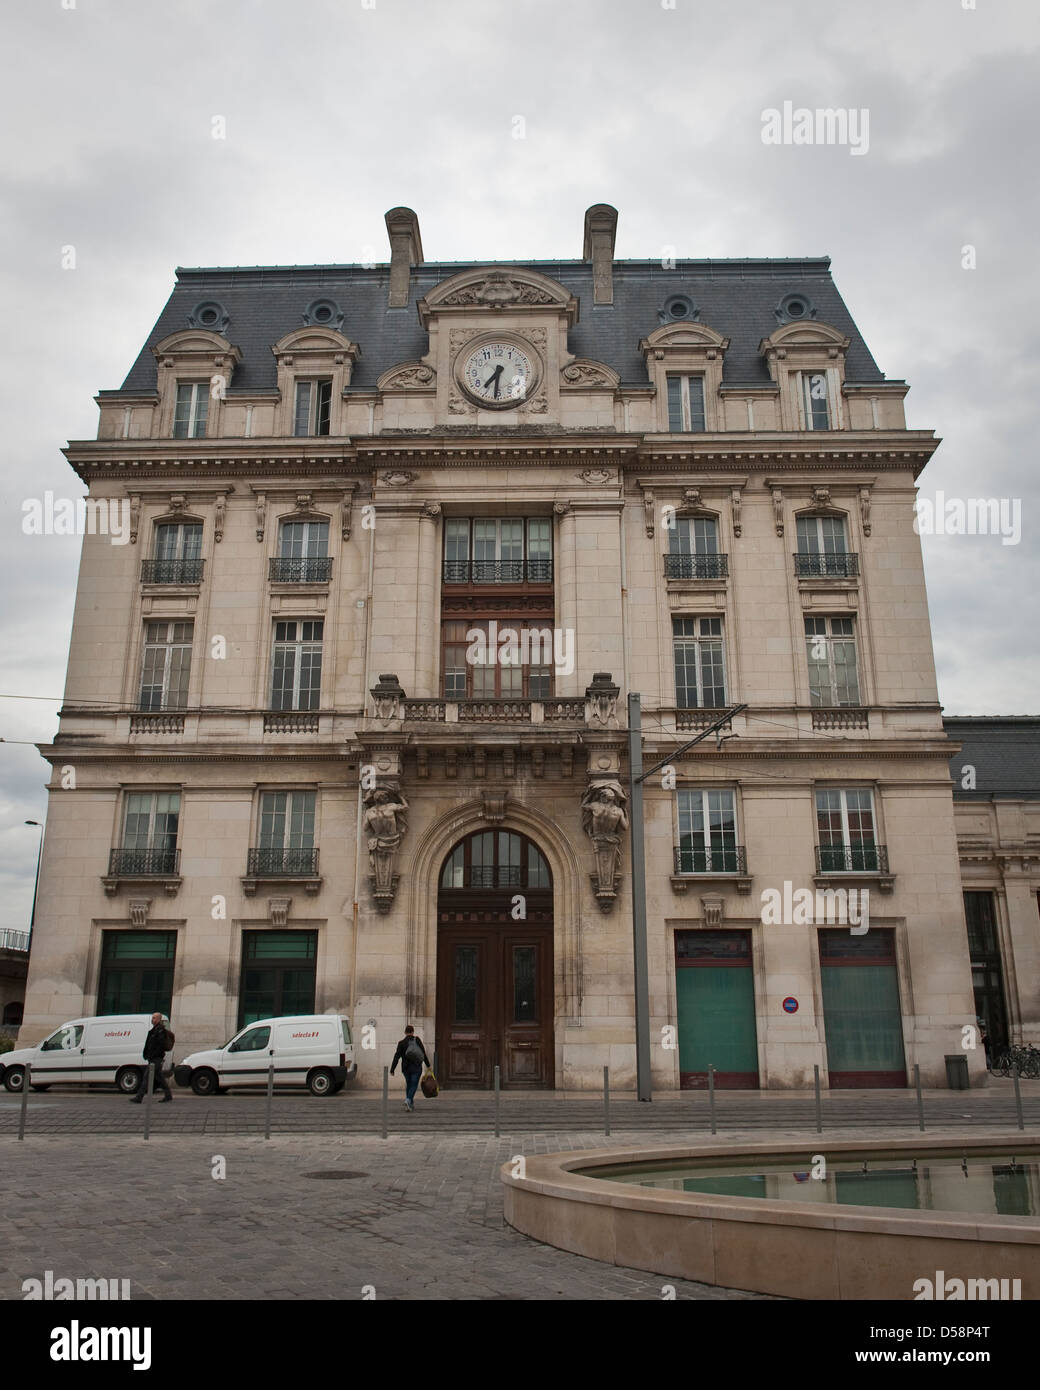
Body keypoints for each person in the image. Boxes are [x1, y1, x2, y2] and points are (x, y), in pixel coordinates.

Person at [130, 1012, 174, 1103]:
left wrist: (152, 1054)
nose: (152, 1019)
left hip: (156, 1058)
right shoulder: (154, 1030)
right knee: (160, 1077)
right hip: (153, 1058)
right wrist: (146, 1054)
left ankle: (139, 1097)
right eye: (152, 1018)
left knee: (147, 1077)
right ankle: (168, 1094)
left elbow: (159, 1045)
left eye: (154, 1018)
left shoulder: (160, 1030)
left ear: (158, 1019)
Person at [389, 1024, 429, 1111]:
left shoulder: (401, 1043)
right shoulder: (417, 1040)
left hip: (405, 1068)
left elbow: (396, 1057)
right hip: (416, 1067)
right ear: (413, 1032)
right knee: (414, 1084)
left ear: (405, 1032)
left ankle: (410, 1104)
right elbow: (423, 1053)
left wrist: (392, 1069)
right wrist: (428, 1065)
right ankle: (408, 1100)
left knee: (409, 1084)